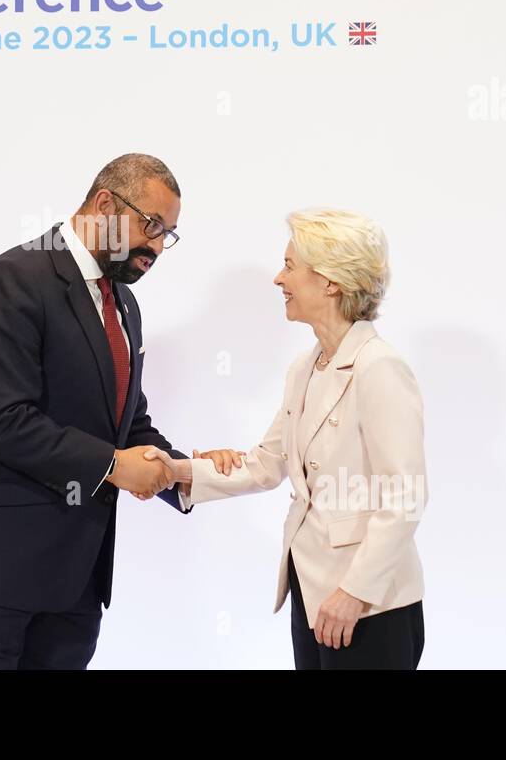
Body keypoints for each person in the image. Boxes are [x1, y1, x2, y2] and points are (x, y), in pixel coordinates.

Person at [0, 154, 192, 669]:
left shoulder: (124, 304)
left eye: (168, 234)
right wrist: (113, 466)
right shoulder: (13, 279)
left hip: (74, 584)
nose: (157, 246)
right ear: (105, 203)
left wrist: (183, 475)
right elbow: (1, 420)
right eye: (151, 225)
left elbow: (127, 422)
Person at [148, 208, 428, 669]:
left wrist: (354, 592)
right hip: (313, 591)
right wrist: (174, 470)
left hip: (369, 604)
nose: (279, 279)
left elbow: (406, 497)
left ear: (332, 281)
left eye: (290, 266)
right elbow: (266, 464)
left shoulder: (379, 368)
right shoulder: (305, 367)